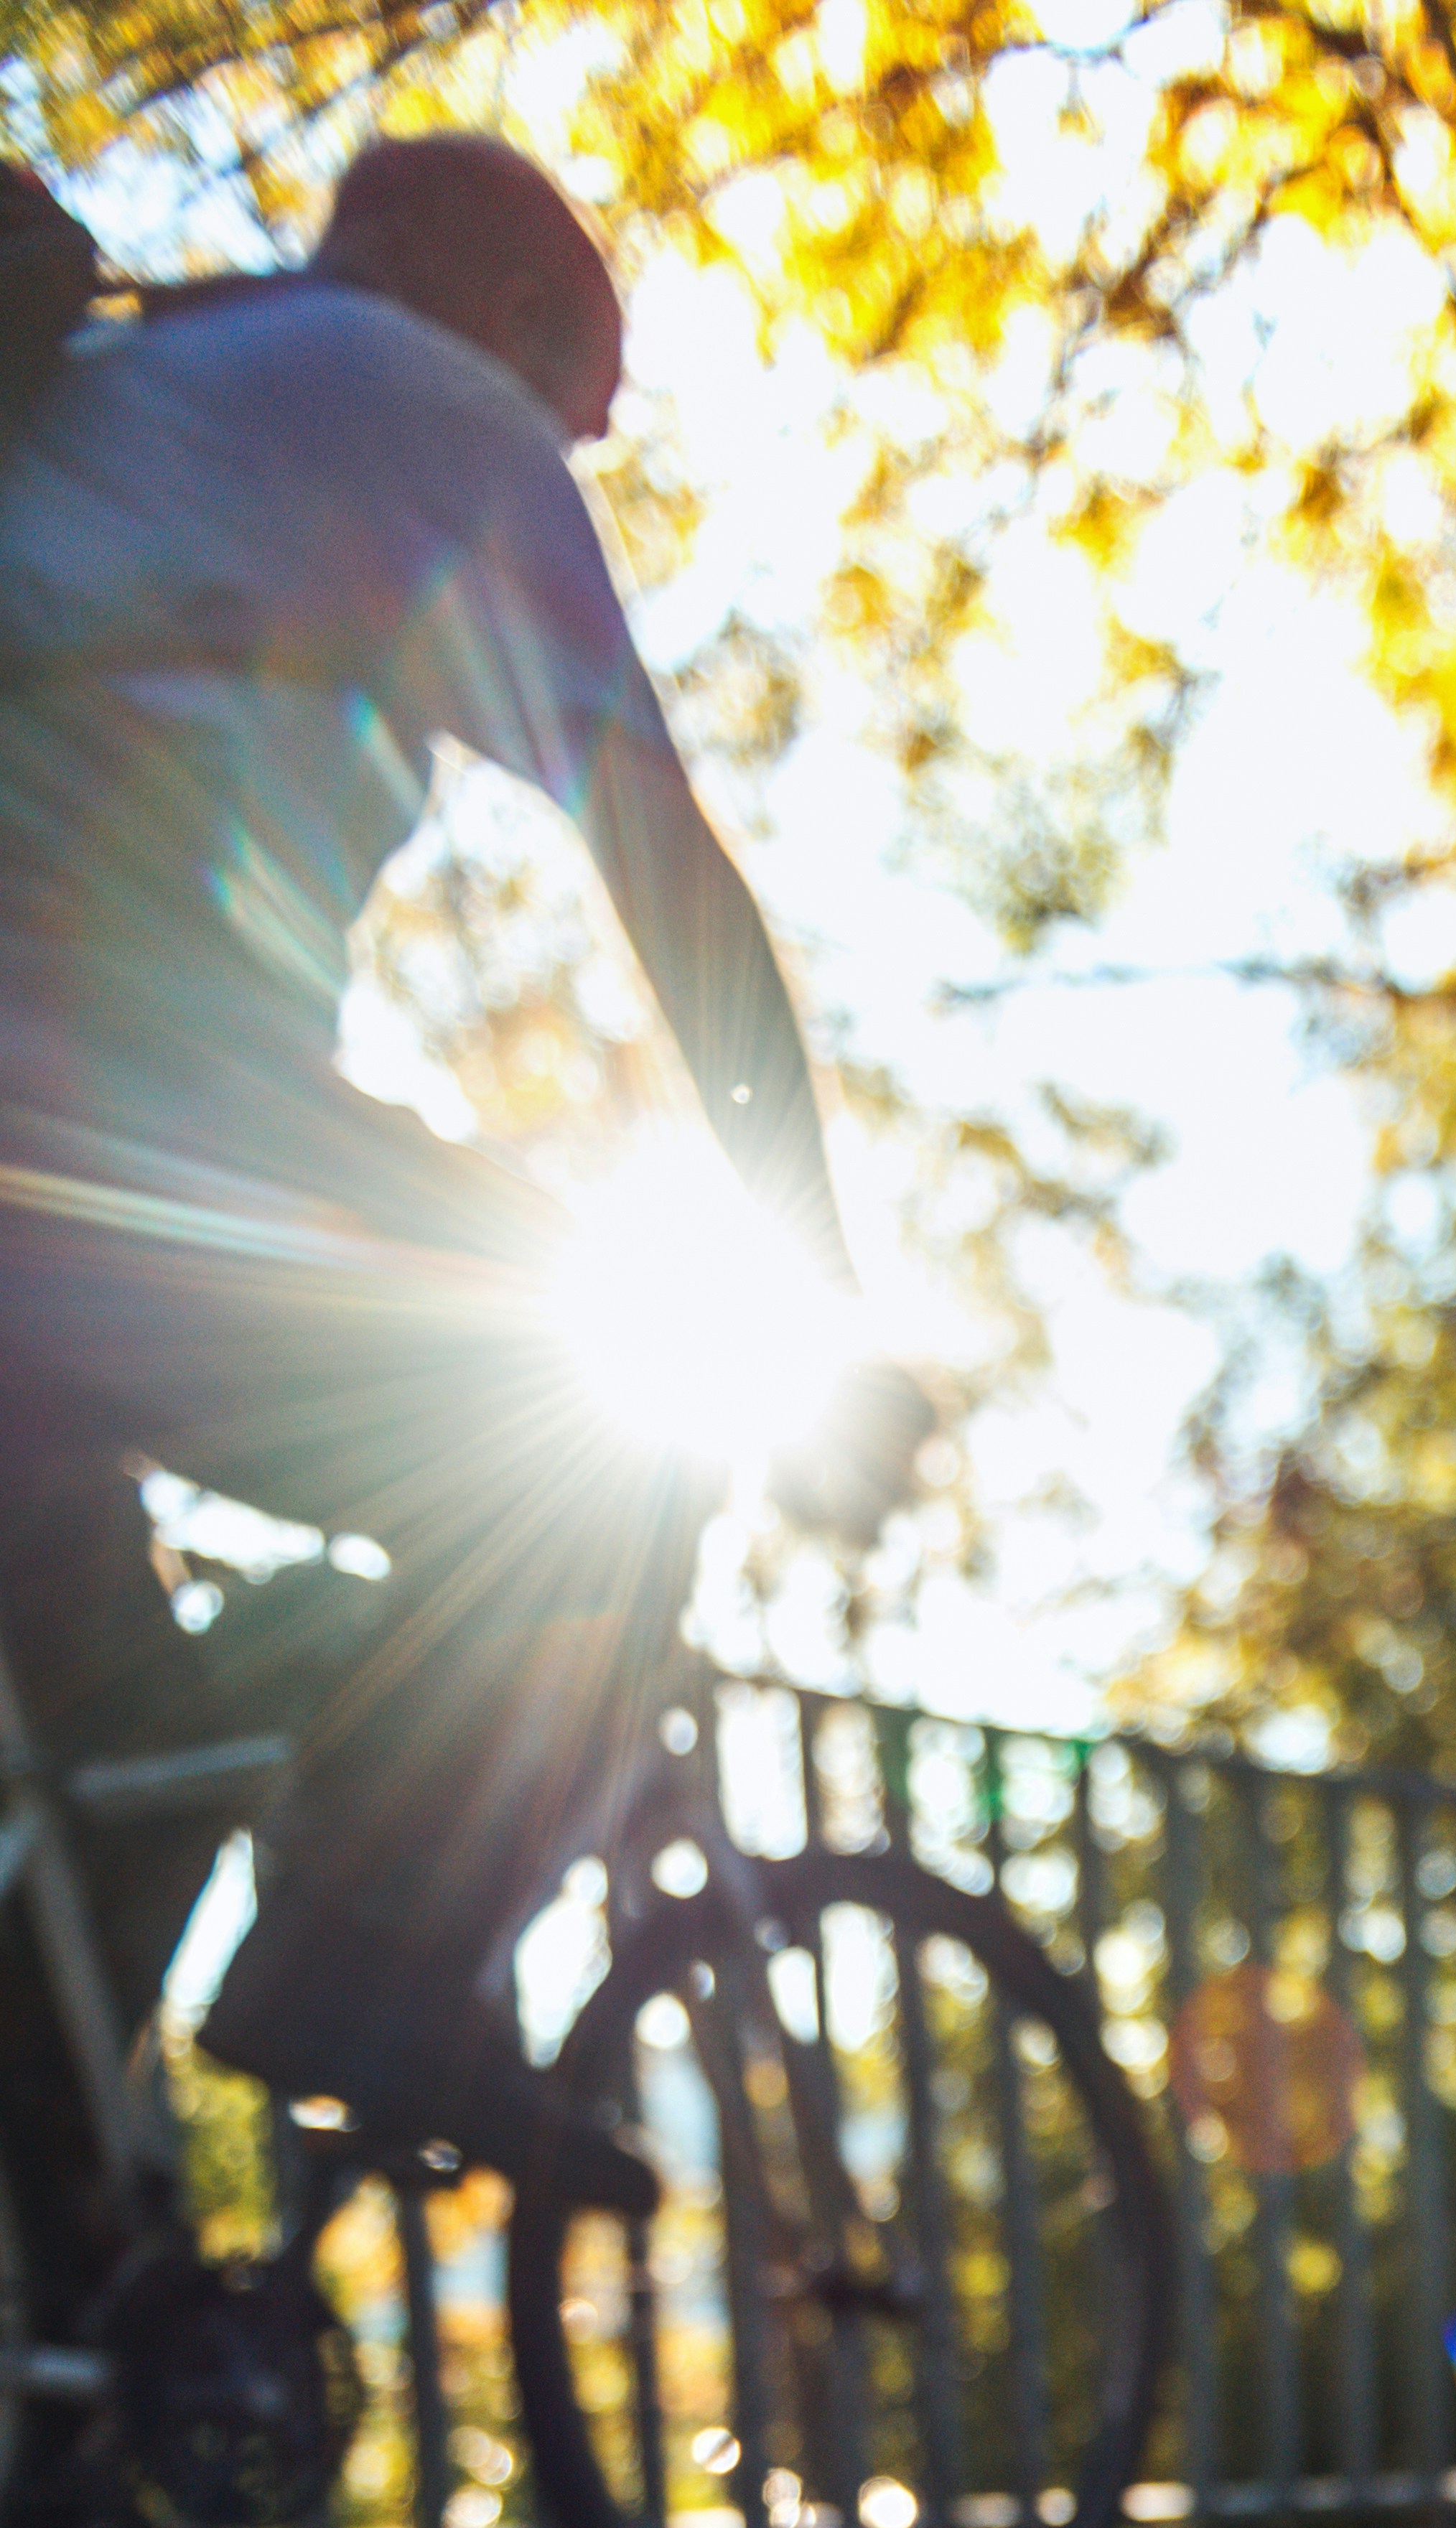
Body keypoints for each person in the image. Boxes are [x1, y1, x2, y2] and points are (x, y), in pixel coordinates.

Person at [0, 129, 925, 2264]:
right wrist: (824, 1316)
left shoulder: (137, 386)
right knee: (599, 1415)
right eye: (572, 373)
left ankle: (78, 2415)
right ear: (491, 307)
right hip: (102, 1133)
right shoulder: (422, 401)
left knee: (126, 1783)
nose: (574, 439)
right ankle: (373, 1971)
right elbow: (671, 886)